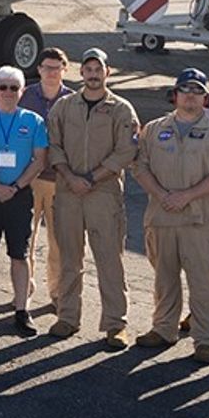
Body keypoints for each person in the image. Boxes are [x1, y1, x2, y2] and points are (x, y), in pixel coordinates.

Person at [133, 69, 209, 362]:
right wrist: (163, 195)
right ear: (175, 95)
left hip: (200, 221)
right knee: (164, 279)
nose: (190, 95)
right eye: (184, 90)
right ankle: (164, 329)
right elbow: (140, 167)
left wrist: (187, 196)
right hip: (162, 217)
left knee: (204, 283)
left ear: (205, 98)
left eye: (196, 91)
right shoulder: (154, 129)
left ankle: (205, 340)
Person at [44, 47, 139, 348]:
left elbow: (126, 150)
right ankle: (68, 317)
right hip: (68, 191)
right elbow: (53, 144)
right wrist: (70, 177)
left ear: (107, 72)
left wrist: (92, 177)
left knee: (109, 259)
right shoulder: (64, 106)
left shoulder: (121, 109)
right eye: (89, 69)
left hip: (104, 192)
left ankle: (116, 324)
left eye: (99, 69)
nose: (94, 75)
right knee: (70, 257)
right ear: (81, 73)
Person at [0, 67, 48, 337]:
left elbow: (39, 159)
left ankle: (21, 309)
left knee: (20, 254)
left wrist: (15, 187)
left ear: (22, 91)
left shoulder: (34, 121)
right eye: (2, 87)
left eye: (14, 88)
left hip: (19, 194)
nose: (8, 92)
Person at [19, 47, 72, 306]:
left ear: (65, 70)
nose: (51, 72)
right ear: (38, 69)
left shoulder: (73, 100)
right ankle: (24, 288)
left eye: (56, 67)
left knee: (58, 242)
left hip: (58, 180)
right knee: (25, 238)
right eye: (46, 67)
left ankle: (57, 293)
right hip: (28, 177)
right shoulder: (24, 95)